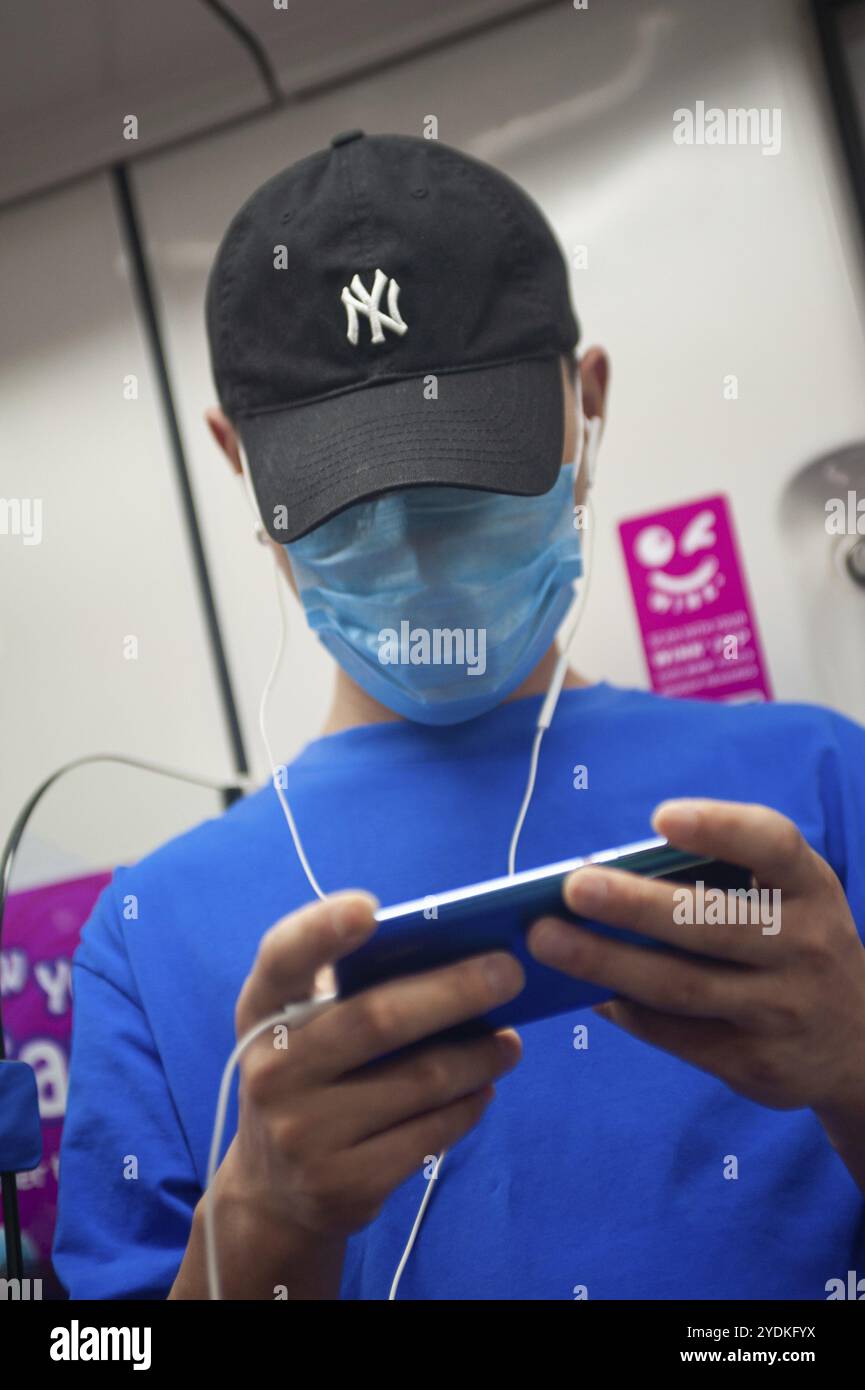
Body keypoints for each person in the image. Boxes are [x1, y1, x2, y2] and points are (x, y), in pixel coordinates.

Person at [53, 132, 865, 1301]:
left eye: (468, 475)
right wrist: (263, 1224)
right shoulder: (147, 939)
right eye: (354, 498)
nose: (419, 544)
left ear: (584, 405)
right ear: (239, 462)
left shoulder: (818, 795)